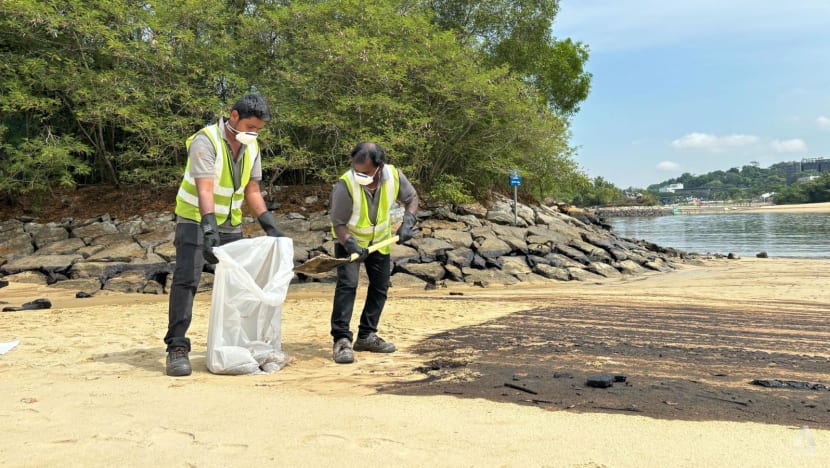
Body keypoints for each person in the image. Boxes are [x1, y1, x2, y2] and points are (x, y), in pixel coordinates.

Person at [165, 94, 286, 376]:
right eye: (250, 127)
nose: (253, 133)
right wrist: (208, 230)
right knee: (187, 280)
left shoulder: (251, 147)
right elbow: (204, 188)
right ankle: (177, 347)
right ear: (233, 117)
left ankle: (236, 343)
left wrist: (270, 225)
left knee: (239, 286)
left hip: (231, 223)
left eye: (258, 129)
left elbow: (252, 190)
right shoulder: (205, 141)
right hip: (195, 219)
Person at [328, 142, 419, 364]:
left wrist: (408, 221)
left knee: (379, 287)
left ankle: (367, 336)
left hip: (380, 242)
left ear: (379, 167)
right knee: (347, 286)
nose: (359, 174)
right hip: (350, 242)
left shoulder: (393, 176)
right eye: (356, 170)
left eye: (365, 172)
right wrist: (350, 243)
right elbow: (338, 223)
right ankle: (341, 340)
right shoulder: (345, 184)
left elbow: (411, 198)